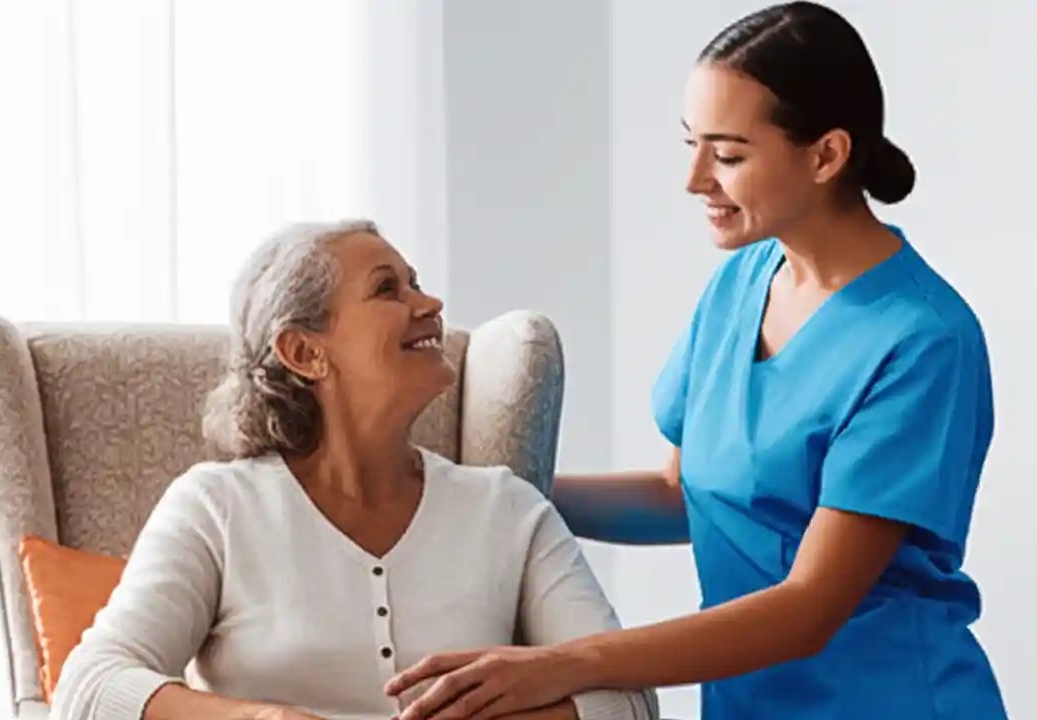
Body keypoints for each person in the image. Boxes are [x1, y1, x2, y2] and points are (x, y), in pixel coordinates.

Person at [383, 3, 1008, 719]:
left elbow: (809, 608)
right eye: (692, 144)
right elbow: (683, 492)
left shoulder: (921, 341)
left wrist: (557, 665)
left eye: (729, 155)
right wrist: (482, 486)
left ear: (827, 155)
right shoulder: (743, 283)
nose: (694, 179)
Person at [49, 219, 659, 720]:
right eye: (388, 289)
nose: (431, 304)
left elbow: (629, 699)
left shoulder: (509, 510)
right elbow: (90, 689)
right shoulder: (217, 506)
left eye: (416, 284)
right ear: (304, 352)